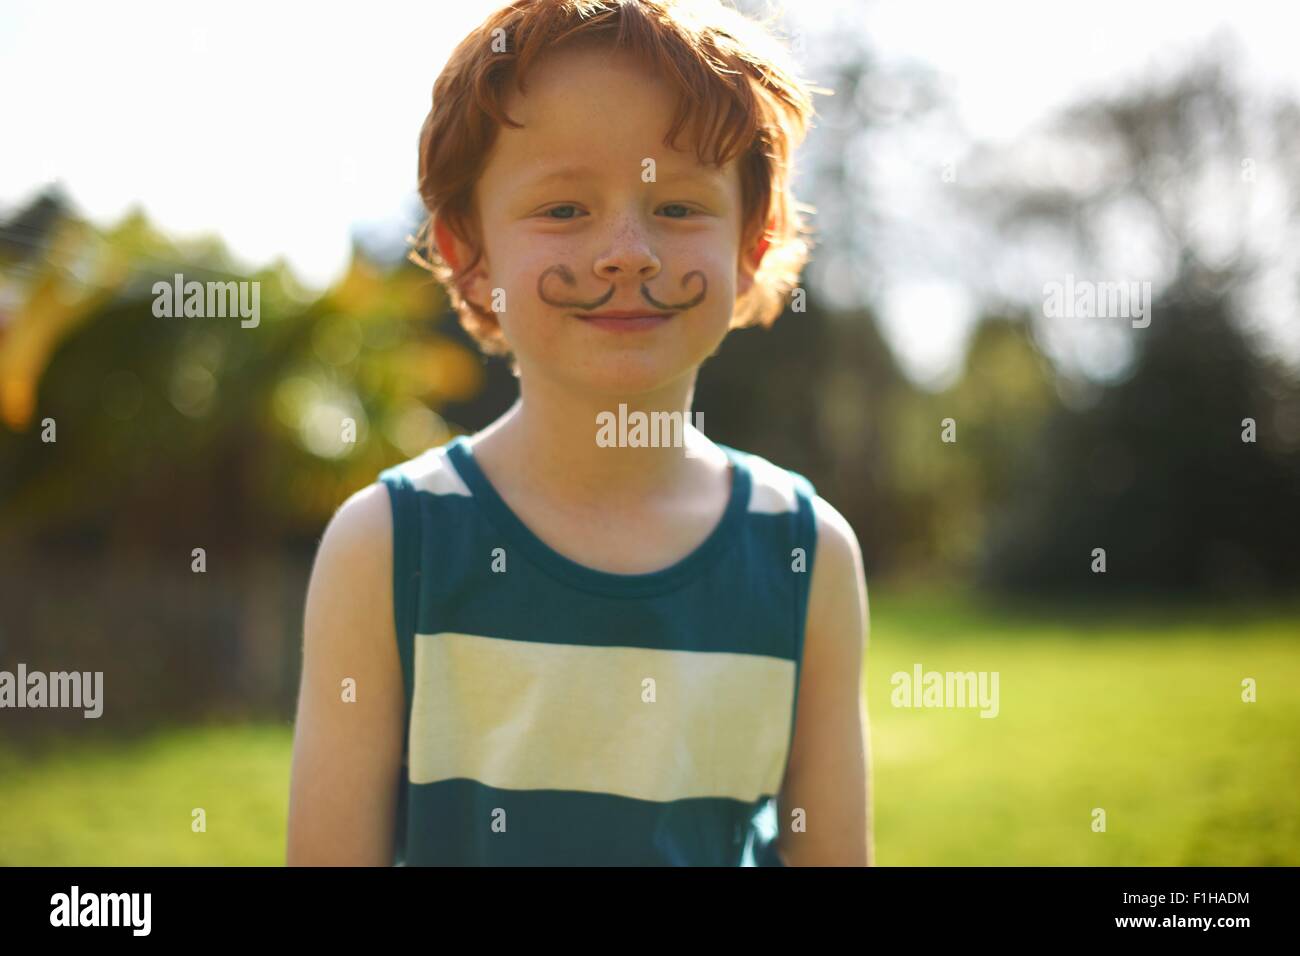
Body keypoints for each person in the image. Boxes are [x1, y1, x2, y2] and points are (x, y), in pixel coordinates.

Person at [287, 0, 870, 866]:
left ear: (754, 241)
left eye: (677, 207)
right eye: (563, 210)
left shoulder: (806, 552)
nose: (627, 252)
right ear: (469, 255)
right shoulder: (386, 545)